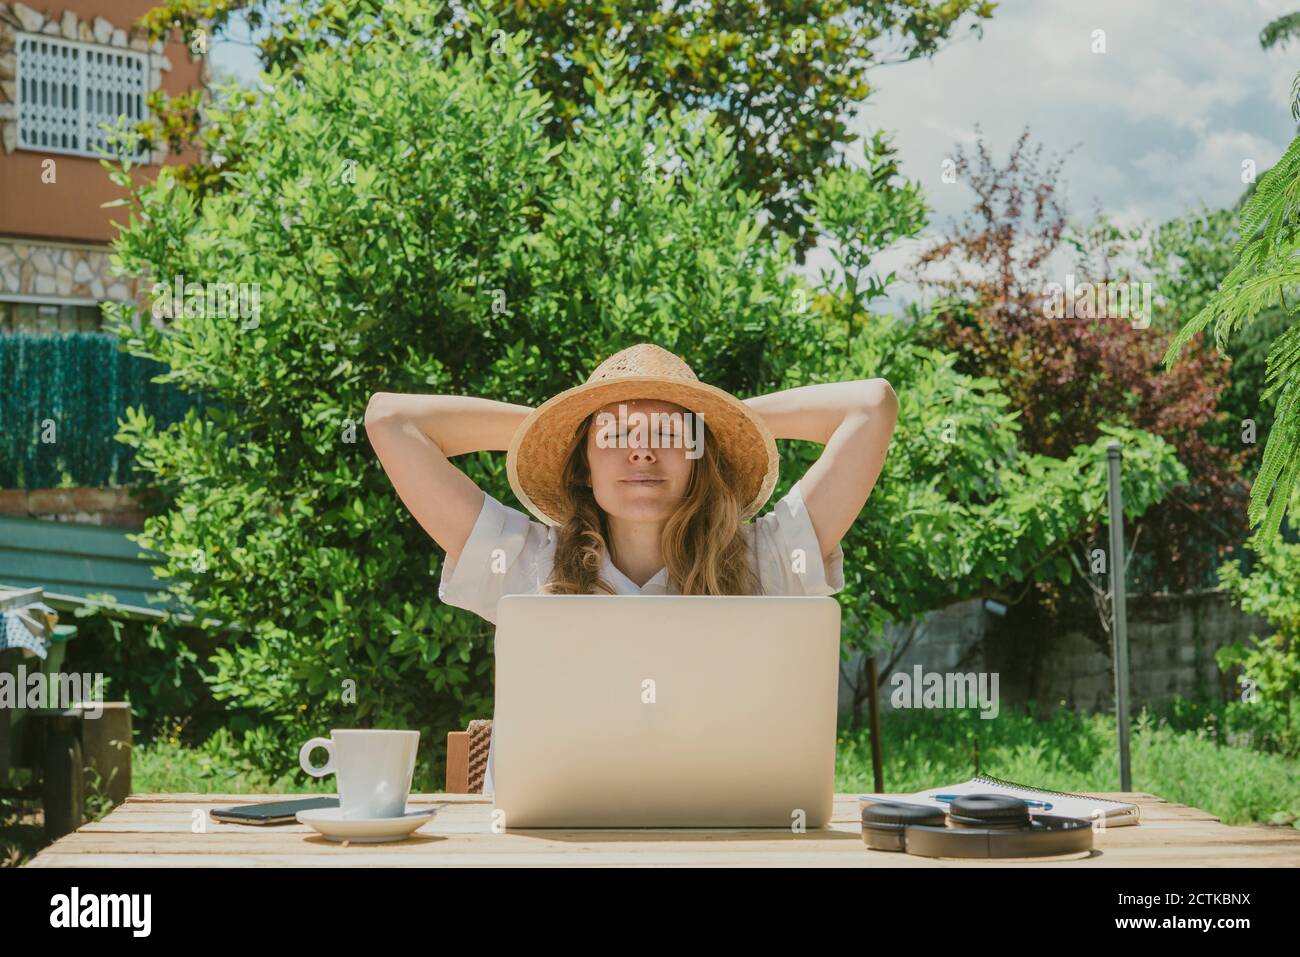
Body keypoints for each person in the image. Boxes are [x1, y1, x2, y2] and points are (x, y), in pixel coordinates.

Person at [365, 343, 899, 793]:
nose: (642, 452)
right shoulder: (523, 560)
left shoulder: (770, 559)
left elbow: (872, 406)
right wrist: (559, 424)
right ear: (583, 462)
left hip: (725, 843)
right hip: (544, 851)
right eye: (616, 437)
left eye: (669, 437)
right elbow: (391, 420)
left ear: (698, 458)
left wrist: (711, 419)